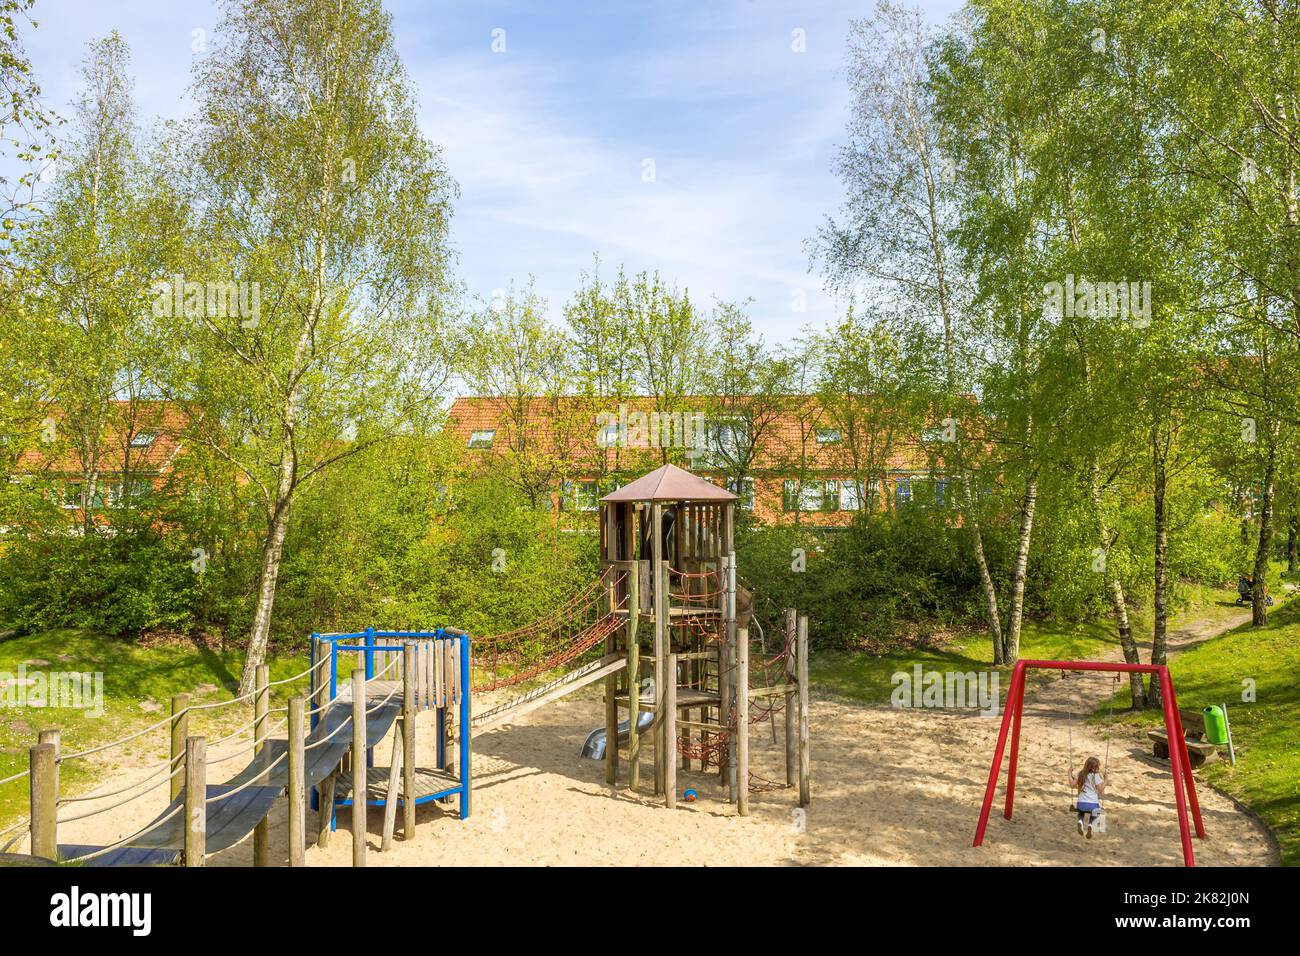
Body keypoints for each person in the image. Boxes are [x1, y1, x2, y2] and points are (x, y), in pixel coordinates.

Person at [1070, 756, 1106, 839]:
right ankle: (1090, 824)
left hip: (1081, 804)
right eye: (1097, 767)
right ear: (1093, 769)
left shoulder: (1080, 774)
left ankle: (1080, 821)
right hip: (1093, 805)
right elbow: (1100, 790)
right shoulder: (1096, 776)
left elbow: (1072, 785)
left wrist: (1069, 773)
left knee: (1081, 812)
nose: (1098, 768)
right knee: (1095, 814)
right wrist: (1106, 780)